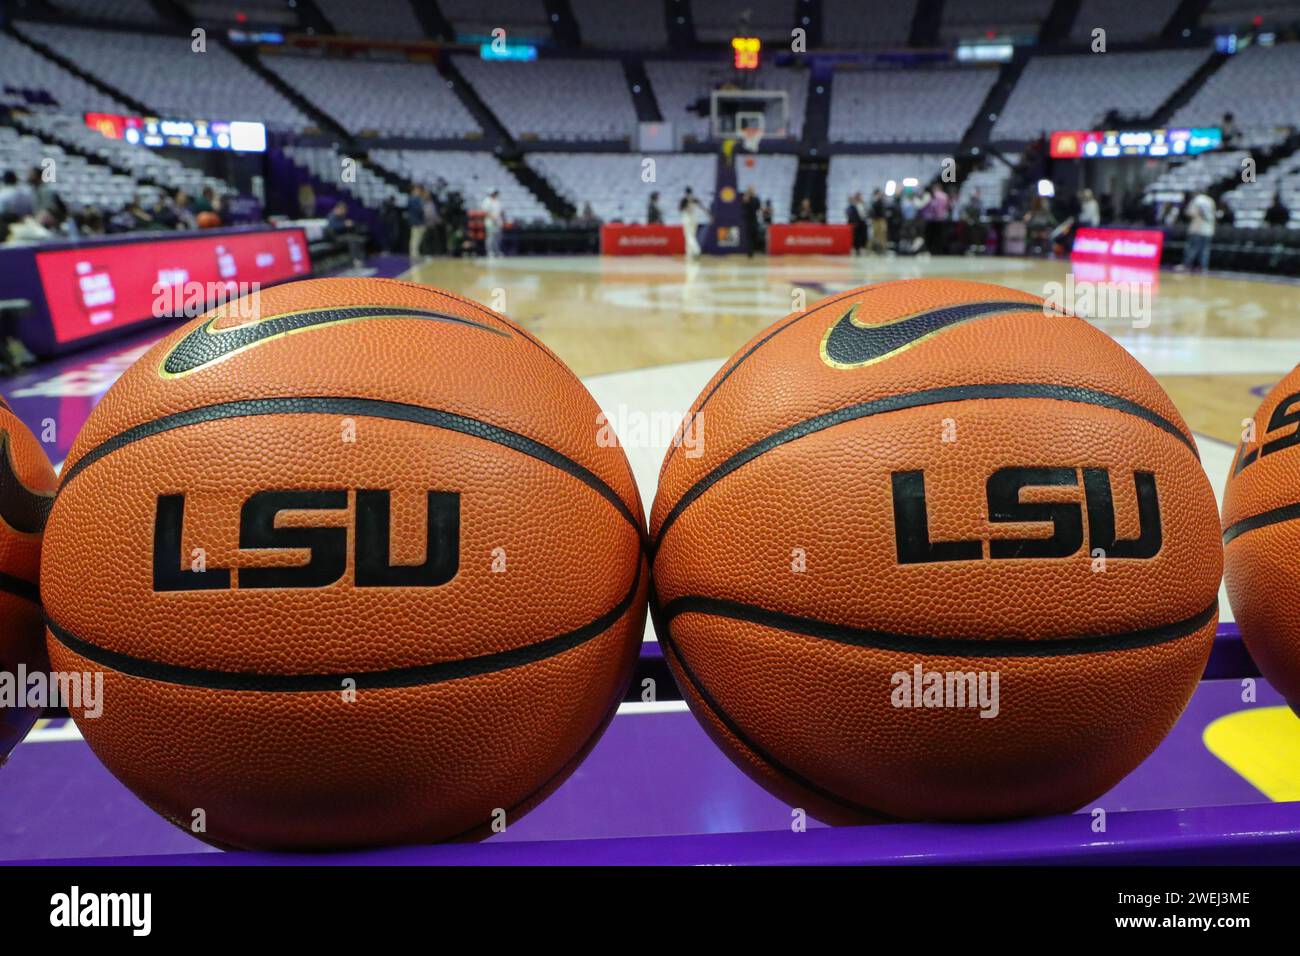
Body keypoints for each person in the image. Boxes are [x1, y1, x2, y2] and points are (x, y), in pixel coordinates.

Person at [1181, 191, 1216, 272]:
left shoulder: (1196, 200)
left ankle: (1187, 265)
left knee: (1192, 248)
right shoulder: (1211, 200)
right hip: (1208, 229)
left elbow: (1190, 213)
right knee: (1205, 250)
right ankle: (1203, 267)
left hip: (1197, 228)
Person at [326, 200, 365, 267]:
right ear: (338, 209)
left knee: (357, 238)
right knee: (352, 240)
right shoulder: (331, 216)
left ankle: (360, 257)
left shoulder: (341, 216)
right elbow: (332, 226)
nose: (344, 212)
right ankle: (355, 260)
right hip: (335, 238)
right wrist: (344, 224)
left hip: (343, 236)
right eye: (343, 210)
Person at [679, 188, 703, 258]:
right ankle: (689, 254)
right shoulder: (695, 199)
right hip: (695, 218)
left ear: (685, 193)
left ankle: (696, 250)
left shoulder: (684, 200)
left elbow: (680, 209)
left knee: (689, 236)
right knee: (692, 236)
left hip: (687, 218)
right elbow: (702, 208)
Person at [407, 184, 427, 263]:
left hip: (419, 221)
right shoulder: (413, 199)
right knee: (415, 238)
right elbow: (418, 210)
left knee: (418, 238)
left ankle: (416, 253)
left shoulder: (418, 199)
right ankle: (413, 254)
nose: (418, 191)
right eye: (417, 190)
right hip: (416, 222)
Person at [482, 188, 504, 258]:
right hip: (490, 222)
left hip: (498, 222)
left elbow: (501, 211)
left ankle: (497, 251)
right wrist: (492, 218)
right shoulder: (486, 201)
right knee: (490, 237)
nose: (495, 194)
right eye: (494, 192)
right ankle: (490, 252)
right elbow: (485, 212)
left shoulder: (498, 201)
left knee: (498, 237)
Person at [741, 187, 761, 258]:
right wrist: (746, 198)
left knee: (754, 236)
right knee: (749, 238)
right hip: (748, 221)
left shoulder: (756, 199)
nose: (751, 191)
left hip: (754, 220)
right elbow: (743, 206)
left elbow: (758, 207)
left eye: (752, 190)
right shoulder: (745, 198)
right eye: (750, 190)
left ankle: (753, 251)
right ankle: (750, 253)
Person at [869, 188, 888, 253]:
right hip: (876, 220)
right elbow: (872, 211)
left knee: (882, 234)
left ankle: (883, 248)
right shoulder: (873, 201)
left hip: (881, 219)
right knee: (875, 234)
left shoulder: (882, 201)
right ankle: (873, 248)